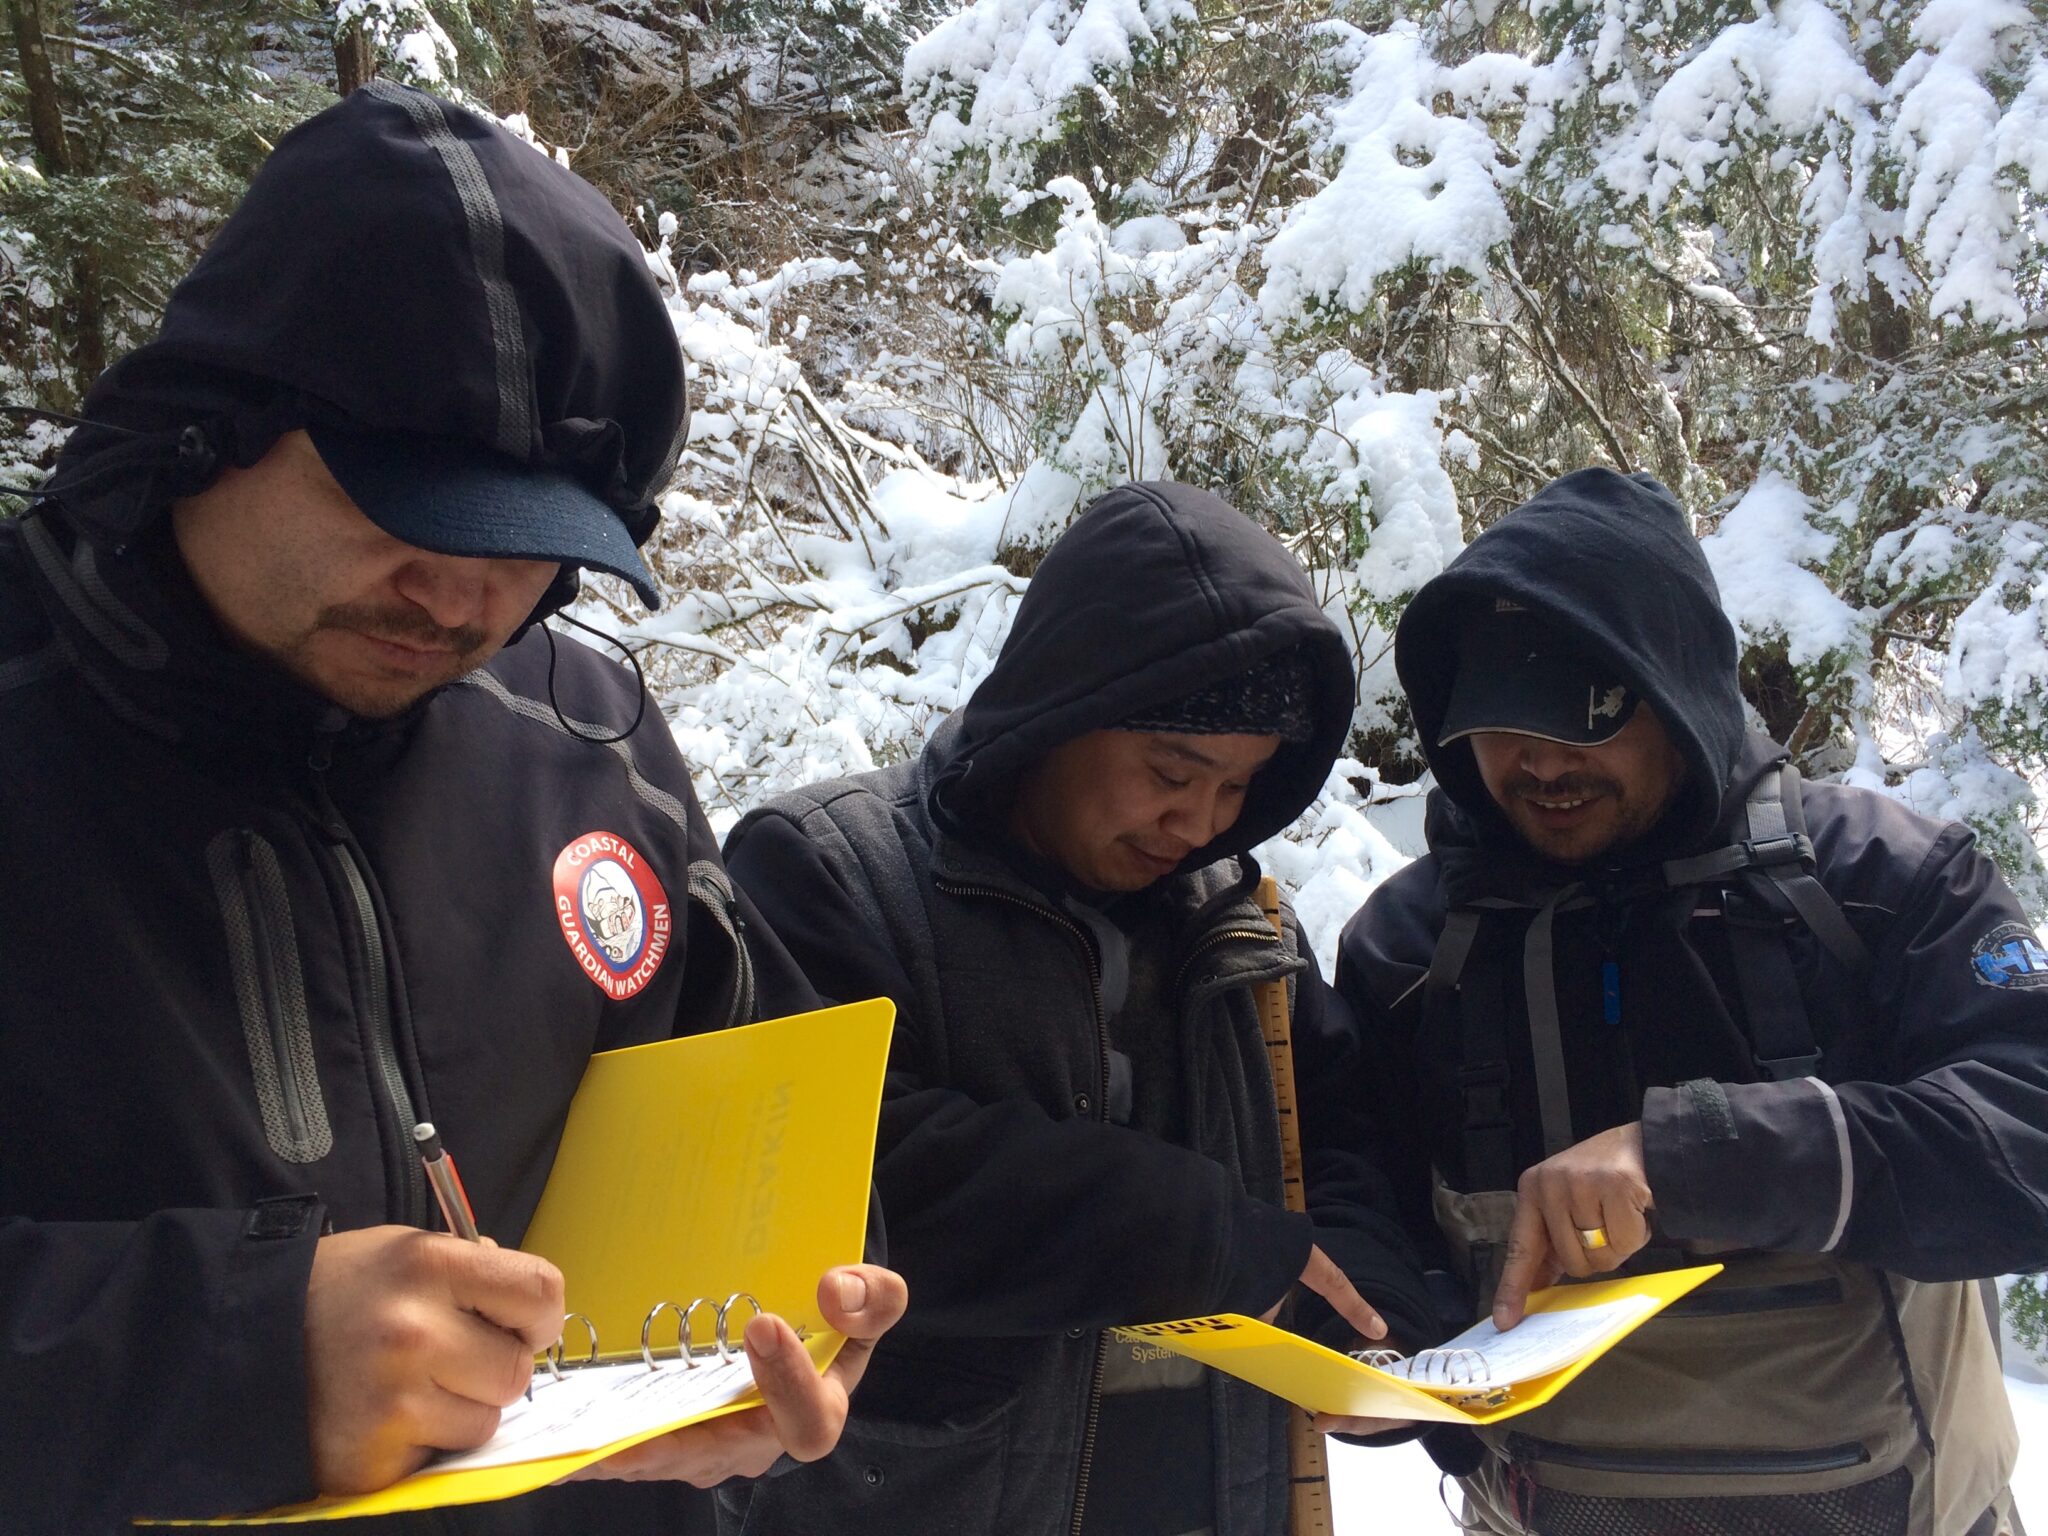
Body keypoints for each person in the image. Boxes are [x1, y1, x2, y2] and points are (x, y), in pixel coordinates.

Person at [0, 83, 905, 1535]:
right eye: (402, 508)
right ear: (211, 428)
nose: (463, 602)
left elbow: (764, 1112)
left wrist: (800, 1312)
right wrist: (226, 1364)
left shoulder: (588, 735)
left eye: (534, 546)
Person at [1335, 467, 2048, 1535]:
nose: (1539, 761)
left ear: (1676, 689)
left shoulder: (1878, 881)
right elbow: (1365, 1203)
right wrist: (1381, 1343)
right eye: (1495, 717)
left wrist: (1699, 1157)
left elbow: (2028, 1137)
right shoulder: (1408, 948)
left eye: (1585, 711)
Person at [719, 481, 1439, 1536]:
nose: (1198, 823)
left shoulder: (1235, 924)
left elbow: (1334, 1138)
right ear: (1056, 712)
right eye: (1171, 771)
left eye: (1237, 787)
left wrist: (1368, 1312)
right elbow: (847, 1175)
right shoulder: (829, 871)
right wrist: (1193, 1234)